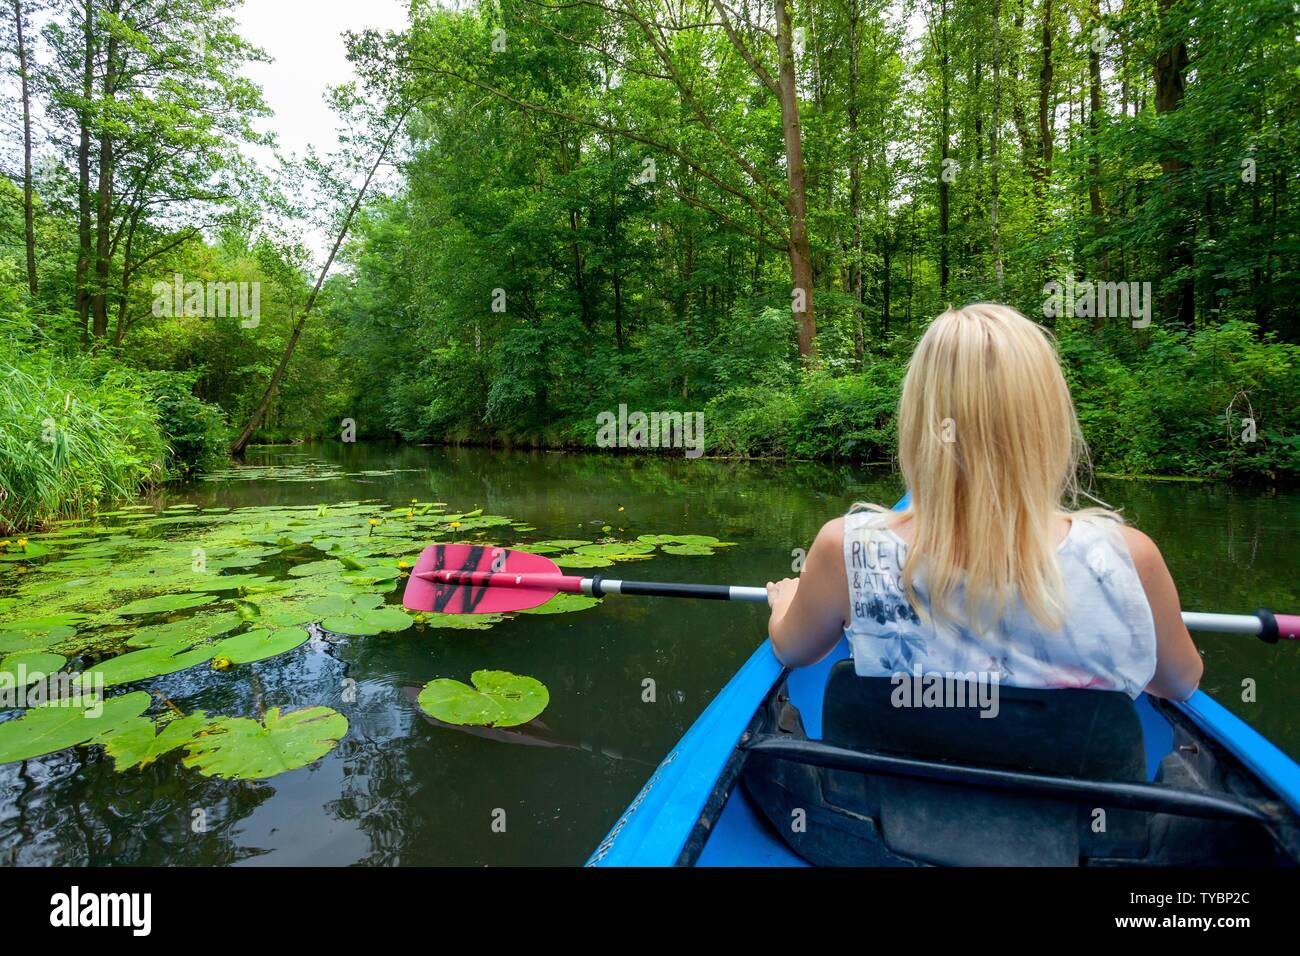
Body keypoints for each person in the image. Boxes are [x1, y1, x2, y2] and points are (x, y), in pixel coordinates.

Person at [765, 303, 1203, 701]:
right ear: (1047, 419)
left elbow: (792, 649)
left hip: (905, 791)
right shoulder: (1129, 557)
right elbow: (1179, 683)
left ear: (918, 420)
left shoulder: (845, 549)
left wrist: (786, 601)